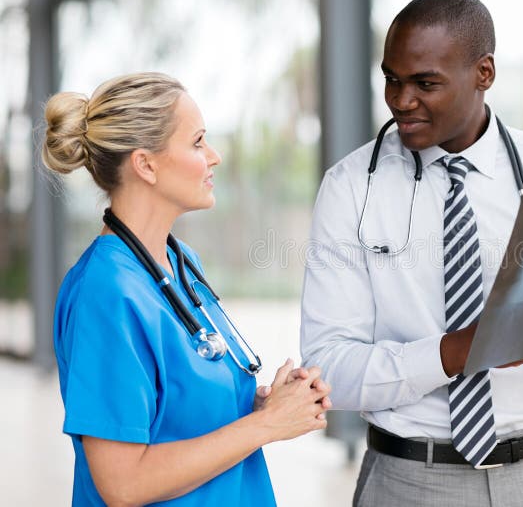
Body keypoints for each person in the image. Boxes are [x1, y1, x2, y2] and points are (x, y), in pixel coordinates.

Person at [300, 0, 523, 507]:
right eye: (392, 79)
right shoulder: (350, 187)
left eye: (425, 83)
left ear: (484, 73)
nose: (402, 100)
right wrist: (456, 352)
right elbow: (329, 368)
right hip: (410, 482)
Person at [44, 72, 332, 506]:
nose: (214, 156)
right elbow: (122, 484)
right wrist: (265, 426)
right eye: (198, 142)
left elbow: (176, 412)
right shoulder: (105, 294)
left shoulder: (182, 264)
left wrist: (266, 406)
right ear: (146, 164)